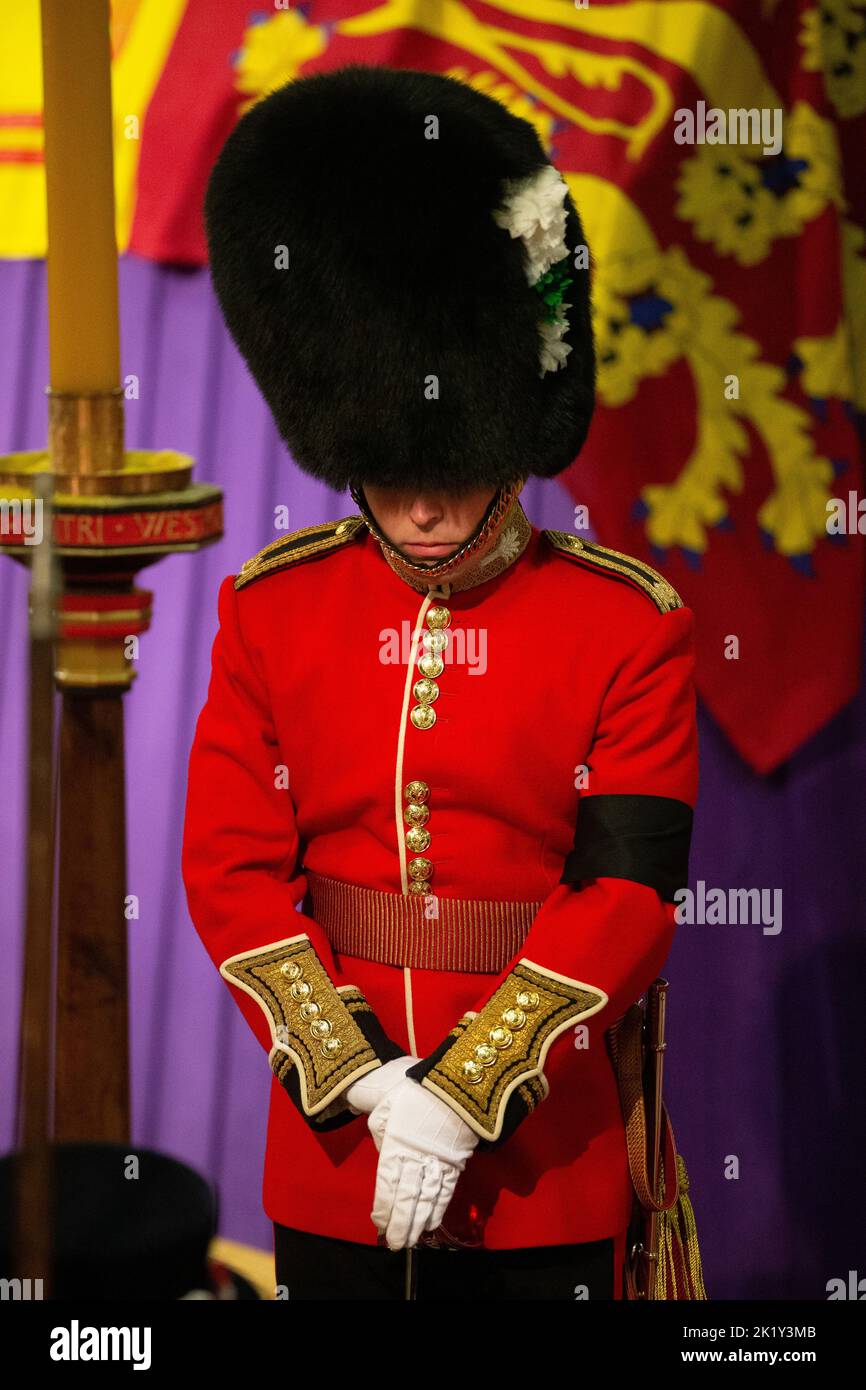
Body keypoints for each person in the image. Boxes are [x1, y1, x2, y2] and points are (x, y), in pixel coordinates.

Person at [181, 64, 699, 1301]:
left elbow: (625, 891)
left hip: (541, 1158)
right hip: (333, 1146)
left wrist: (465, 1094)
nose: (418, 503)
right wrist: (364, 1082)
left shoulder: (628, 622)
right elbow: (231, 869)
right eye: (391, 467)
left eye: (450, 468)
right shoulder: (270, 606)